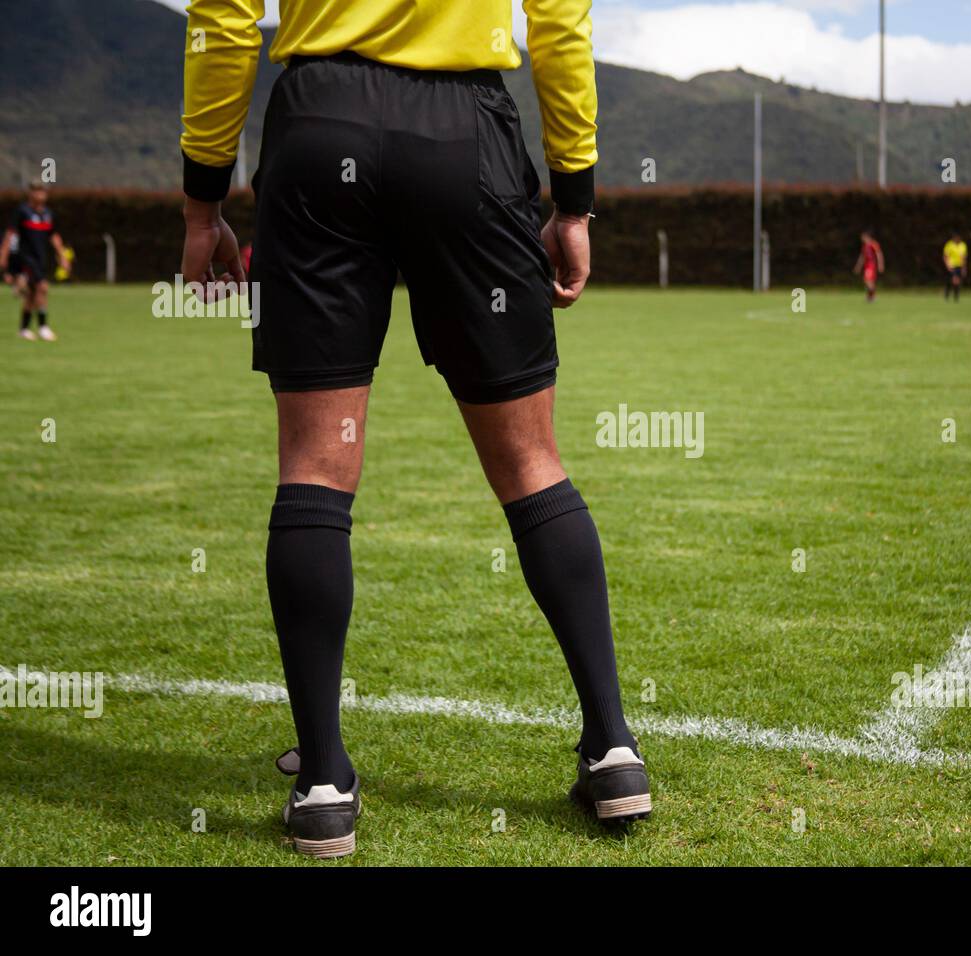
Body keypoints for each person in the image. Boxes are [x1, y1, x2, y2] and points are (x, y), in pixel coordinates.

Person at [178, 0, 649, 859]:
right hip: (464, 135)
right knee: (532, 461)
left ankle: (324, 784)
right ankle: (613, 750)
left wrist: (202, 200)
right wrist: (575, 197)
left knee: (314, 466)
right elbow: (559, 18)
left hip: (319, 123)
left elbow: (225, 16)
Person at [1, 182, 70, 341]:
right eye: (37, 191)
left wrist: (62, 256)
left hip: (40, 258)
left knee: (32, 294)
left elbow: (54, 236)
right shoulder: (22, 211)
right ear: (30, 193)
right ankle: (43, 327)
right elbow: (10, 234)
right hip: (25, 257)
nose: (41, 195)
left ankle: (24, 329)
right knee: (42, 287)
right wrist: (3, 255)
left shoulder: (48, 214)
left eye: (43, 192)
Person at [853, 229, 885, 302]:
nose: (861, 238)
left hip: (871, 265)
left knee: (868, 280)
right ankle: (870, 296)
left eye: (863, 236)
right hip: (867, 265)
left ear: (867, 236)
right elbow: (862, 257)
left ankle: (872, 296)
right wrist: (858, 266)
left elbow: (879, 254)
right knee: (869, 281)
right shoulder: (865, 246)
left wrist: (881, 264)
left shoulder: (873, 244)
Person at [943, 230, 968, 302]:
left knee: (957, 281)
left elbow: (964, 257)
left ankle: (955, 296)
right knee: (953, 281)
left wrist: (964, 268)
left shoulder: (963, 245)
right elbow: (945, 256)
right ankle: (948, 294)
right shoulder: (949, 245)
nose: (957, 239)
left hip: (959, 266)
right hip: (951, 266)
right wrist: (948, 265)